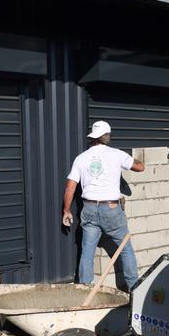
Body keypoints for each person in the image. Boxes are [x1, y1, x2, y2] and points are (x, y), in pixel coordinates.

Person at [62, 121, 145, 291]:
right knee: (125, 249)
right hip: (112, 209)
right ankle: (134, 289)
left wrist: (66, 210)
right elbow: (140, 167)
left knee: (87, 252)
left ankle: (85, 290)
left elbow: (70, 186)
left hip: (89, 209)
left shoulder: (81, 158)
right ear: (107, 136)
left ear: (93, 137)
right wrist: (133, 159)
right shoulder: (117, 154)